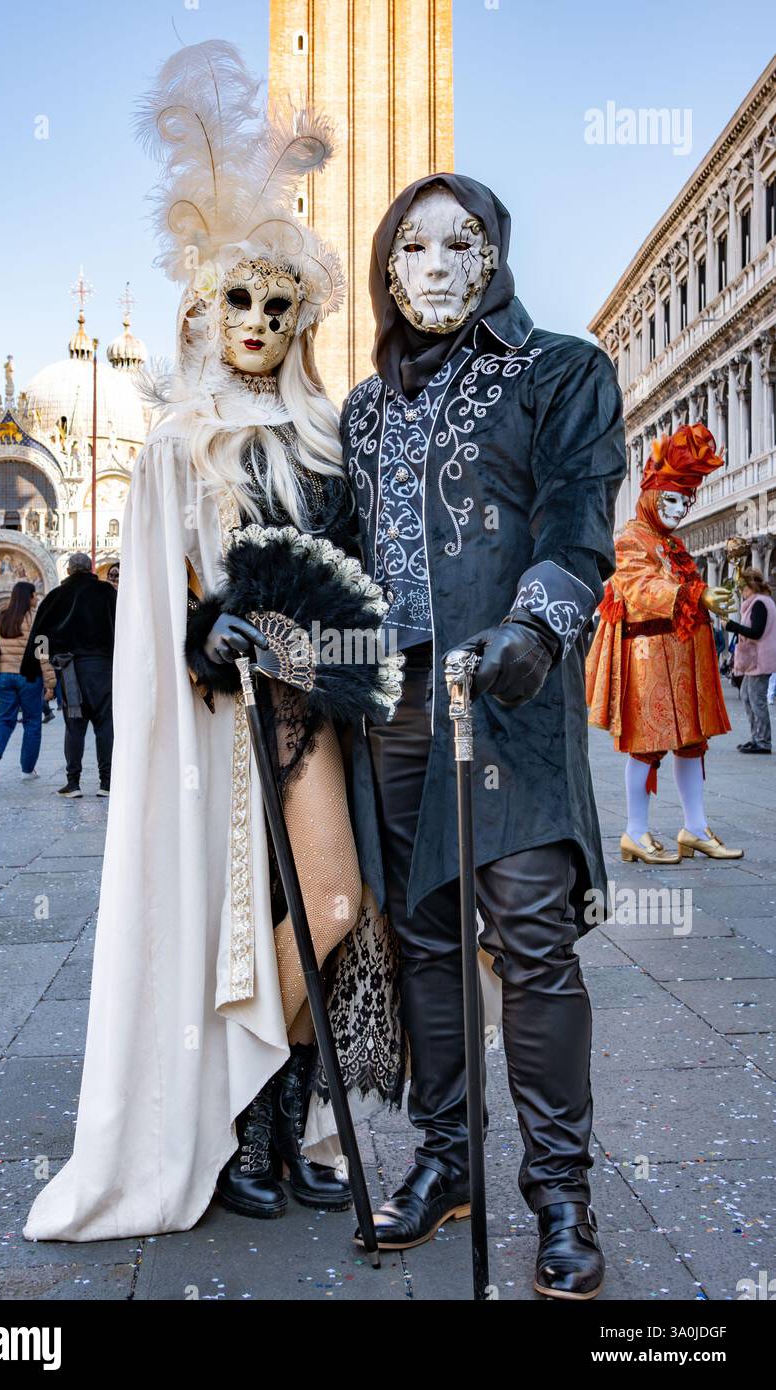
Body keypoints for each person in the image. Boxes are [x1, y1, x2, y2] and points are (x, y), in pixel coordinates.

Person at [24, 42, 401, 1245]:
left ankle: (286, 1106)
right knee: (218, 916)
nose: (257, 322)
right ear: (205, 304)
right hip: (217, 708)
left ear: (301, 319)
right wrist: (206, 631)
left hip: (309, 710)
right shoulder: (176, 440)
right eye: (238, 298)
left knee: (335, 899)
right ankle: (240, 1120)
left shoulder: (326, 437)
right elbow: (166, 597)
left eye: (279, 305)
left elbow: (356, 576)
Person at [340, 174, 626, 1299]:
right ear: (386, 265)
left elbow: (575, 514)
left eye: (463, 243)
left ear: (494, 257)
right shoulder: (361, 410)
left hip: (508, 691)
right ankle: (445, 1159)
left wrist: (537, 621)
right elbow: (325, 552)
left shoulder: (558, 369)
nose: (438, 264)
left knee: (529, 940)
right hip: (394, 707)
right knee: (421, 939)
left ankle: (559, 1191)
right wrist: (249, 616)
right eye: (412, 244)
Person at [587, 425, 742, 861]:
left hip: (683, 659)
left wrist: (712, 595)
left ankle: (694, 828)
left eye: (685, 502)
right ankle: (635, 832)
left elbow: (688, 588)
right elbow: (642, 587)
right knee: (647, 746)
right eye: (671, 500)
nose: (678, 511)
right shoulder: (629, 540)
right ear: (652, 496)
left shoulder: (671, 543)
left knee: (692, 743)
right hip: (647, 660)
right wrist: (697, 593)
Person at [21, 553, 116, 797]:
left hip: (70, 668)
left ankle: (73, 783)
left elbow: (40, 635)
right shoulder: (107, 593)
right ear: (90, 568)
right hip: (104, 667)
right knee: (105, 723)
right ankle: (107, 782)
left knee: (75, 724)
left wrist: (38, 662)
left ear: (69, 571)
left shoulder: (56, 597)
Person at [0, 582, 55, 783]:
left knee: (5, 718)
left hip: (4, 675)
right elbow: (43, 654)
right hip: (29, 676)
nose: (36, 600)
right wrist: (50, 682)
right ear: (30, 597)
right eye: (35, 596)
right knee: (32, 721)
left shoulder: (2, 616)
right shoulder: (37, 619)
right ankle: (27, 769)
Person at [725, 568, 776, 755]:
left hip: (760, 658)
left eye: (743, 588)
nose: (741, 592)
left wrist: (732, 626)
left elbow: (757, 632)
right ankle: (756, 737)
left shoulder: (760, 603)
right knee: (747, 696)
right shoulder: (756, 602)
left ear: (752, 586)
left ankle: (763, 741)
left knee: (757, 700)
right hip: (754, 659)